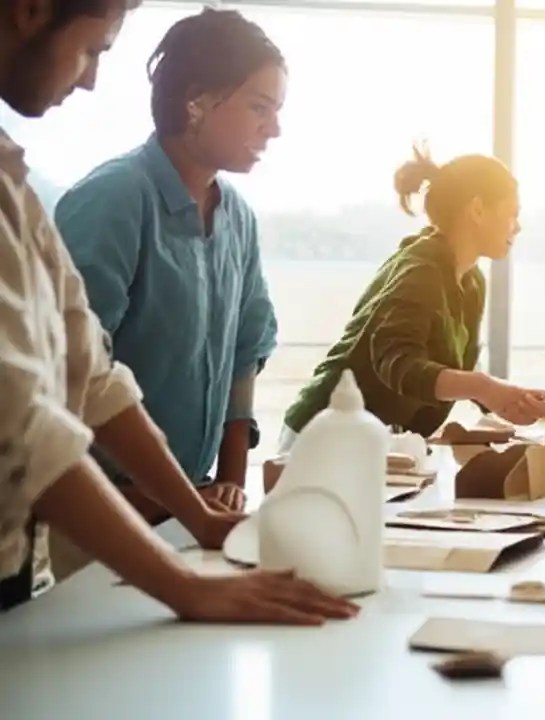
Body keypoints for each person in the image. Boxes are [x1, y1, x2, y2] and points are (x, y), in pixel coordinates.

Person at [0, 0, 356, 621]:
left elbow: (97, 376)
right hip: (90, 515)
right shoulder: (113, 198)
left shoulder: (15, 184)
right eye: (91, 49)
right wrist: (184, 581)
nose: (90, 79)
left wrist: (205, 511)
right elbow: (30, 421)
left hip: (151, 513)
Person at [55, 7, 282, 521]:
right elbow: (73, 379)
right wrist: (186, 508)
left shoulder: (237, 217)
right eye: (259, 107)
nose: (274, 129)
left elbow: (246, 351)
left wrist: (228, 485)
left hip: (190, 509)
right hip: (98, 514)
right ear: (196, 100)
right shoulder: (113, 200)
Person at [280, 144, 545, 447]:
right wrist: (485, 388)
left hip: (378, 443)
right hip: (323, 440)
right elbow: (398, 363)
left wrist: (521, 398)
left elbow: (457, 374)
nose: (518, 227)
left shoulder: (471, 282)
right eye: (512, 213)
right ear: (478, 209)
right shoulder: (420, 270)